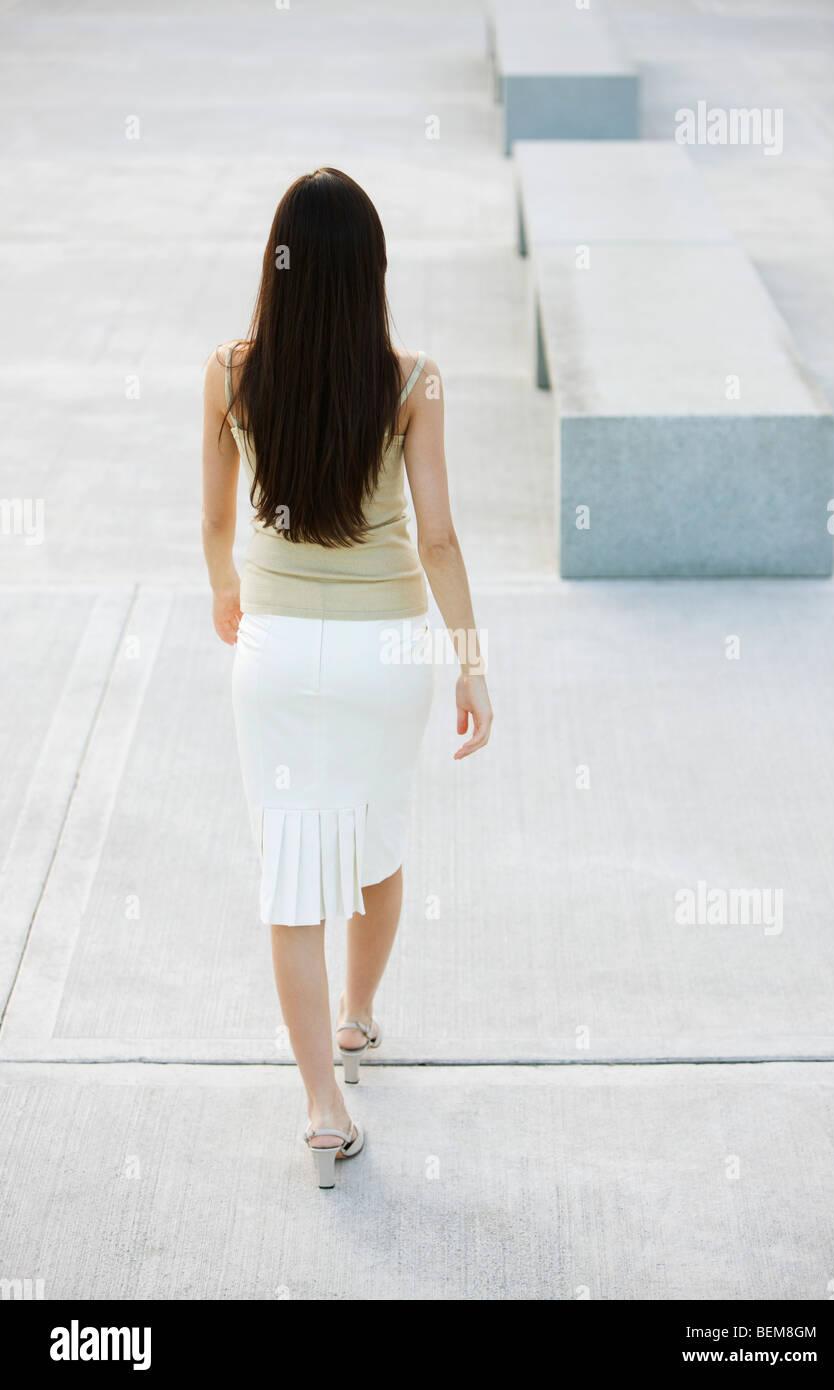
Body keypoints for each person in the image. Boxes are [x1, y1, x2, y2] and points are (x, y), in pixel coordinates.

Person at [201, 167, 492, 1188]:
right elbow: (441, 537)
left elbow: (215, 522)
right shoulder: (415, 381)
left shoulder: (232, 373)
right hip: (387, 650)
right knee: (374, 839)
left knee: (291, 874)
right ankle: (359, 1019)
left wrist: (223, 595)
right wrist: (471, 662)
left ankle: (323, 1111)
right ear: (373, 271)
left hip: (275, 653)